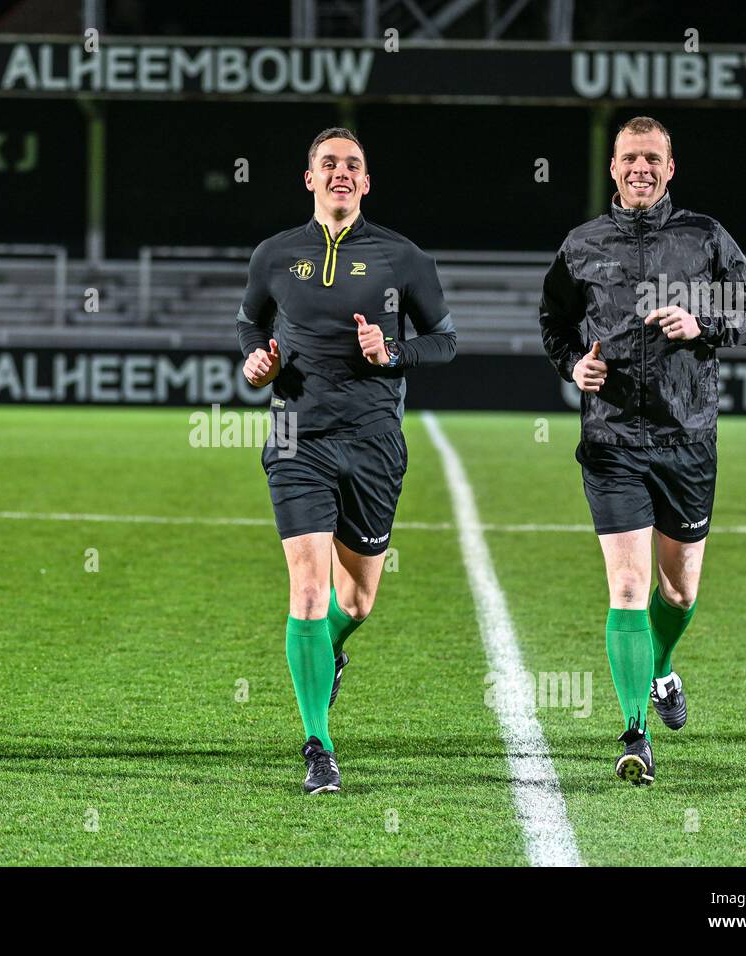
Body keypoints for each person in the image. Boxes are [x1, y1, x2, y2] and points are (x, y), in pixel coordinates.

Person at [539, 116, 746, 785]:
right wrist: (570, 366)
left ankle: (663, 669)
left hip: (687, 435)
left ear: (670, 168)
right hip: (612, 438)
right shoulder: (583, 245)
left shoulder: (705, 239)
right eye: (629, 158)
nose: (640, 168)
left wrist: (705, 322)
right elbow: (554, 321)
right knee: (630, 586)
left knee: (679, 588)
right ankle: (635, 731)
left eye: (652, 159)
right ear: (612, 168)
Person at [236, 128, 458, 794]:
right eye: (328, 164)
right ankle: (319, 747)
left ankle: (331, 649)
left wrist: (392, 353)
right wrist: (256, 362)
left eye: (352, 166)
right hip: (295, 439)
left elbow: (444, 341)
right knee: (306, 588)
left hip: (373, 444)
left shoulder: (403, 258)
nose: (340, 173)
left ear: (366, 183)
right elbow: (250, 323)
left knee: (356, 600)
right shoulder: (275, 255)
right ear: (309, 179)